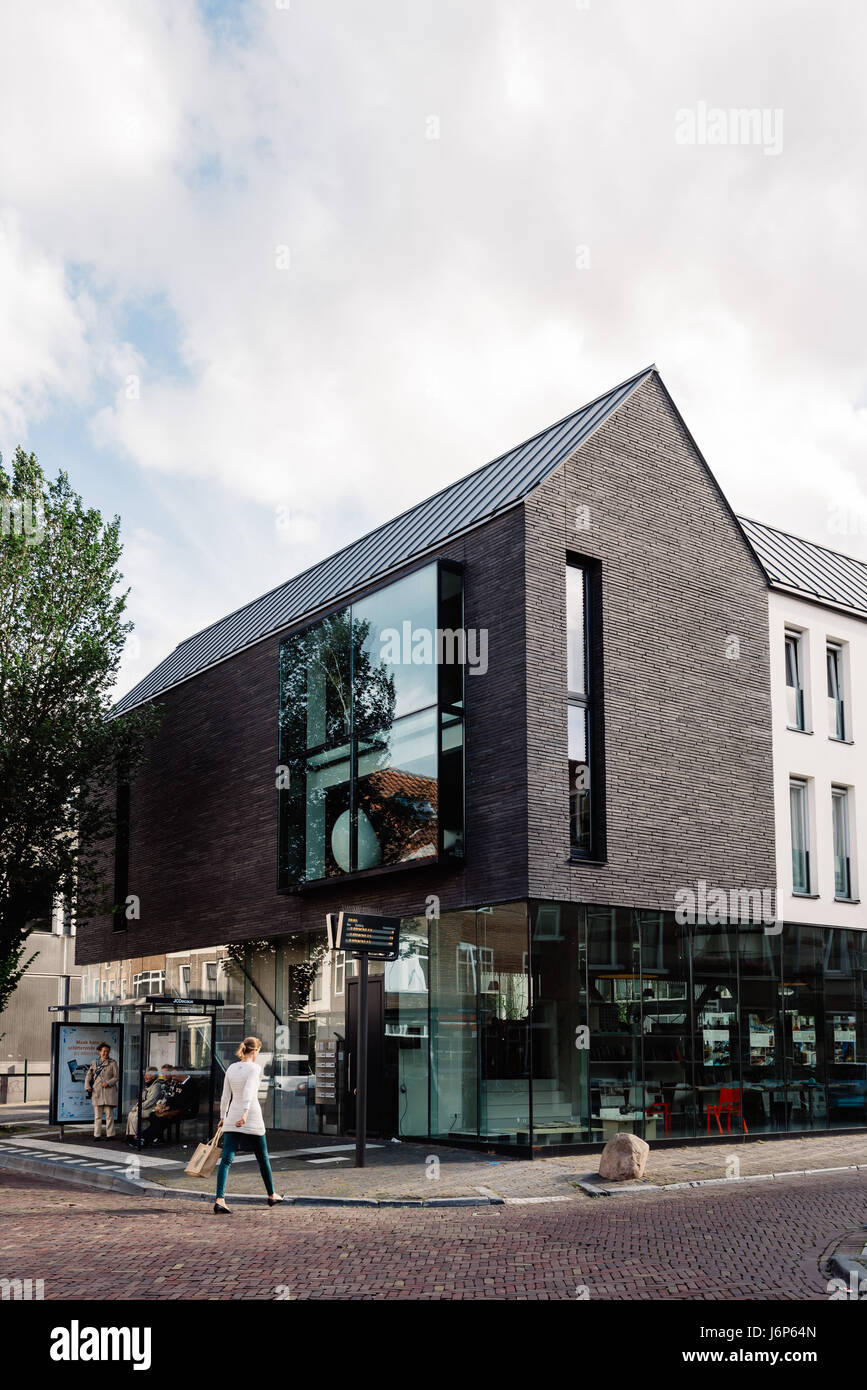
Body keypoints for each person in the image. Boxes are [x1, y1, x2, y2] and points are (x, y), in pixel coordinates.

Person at [214, 1036, 282, 1213]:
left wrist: (223, 1116)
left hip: (232, 1116)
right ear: (256, 1051)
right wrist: (245, 1113)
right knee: (262, 1157)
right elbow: (250, 1091)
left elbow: (225, 1095)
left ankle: (220, 1199)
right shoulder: (254, 1068)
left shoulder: (231, 1067)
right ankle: (271, 1194)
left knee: (227, 1158)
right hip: (250, 1115)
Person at [137, 1068, 200, 1148]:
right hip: (174, 1109)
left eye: (173, 1076)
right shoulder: (177, 1083)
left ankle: (144, 1138)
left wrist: (169, 1113)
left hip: (186, 1111)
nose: (172, 1078)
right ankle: (153, 1137)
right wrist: (166, 1107)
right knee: (153, 1115)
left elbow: (188, 1105)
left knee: (163, 1118)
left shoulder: (191, 1085)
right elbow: (173, 1098)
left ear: (180, 1074)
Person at [84, 1043, 119, 1140]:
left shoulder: (113, 1063)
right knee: (97, 1116)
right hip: (97, 1091)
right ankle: (97, 1135)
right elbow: (89, 1076)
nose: (106, 1053)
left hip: (109, 1091)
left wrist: (108, 1083)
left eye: (107, 1051)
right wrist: (87, 1086)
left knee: (109, 1115)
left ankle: (110, 1135)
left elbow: (116, 1077)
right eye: (104, 1051)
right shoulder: (94, 1063)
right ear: (99, 1052)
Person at [125, 1068, 163, 1140]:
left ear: (154, 1076)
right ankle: (129, 1135)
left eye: (148, 1075)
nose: (145, 1077)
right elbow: (142, 1099)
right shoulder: (148, 1085)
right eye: (145, 1074)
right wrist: (135, 1107)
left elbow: (151, 1101)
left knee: (136, 1114)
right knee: (131, 1114)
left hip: (153, 1109)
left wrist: (139, 1108)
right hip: (146, 1108)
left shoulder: (156, 1086)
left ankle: (135, 1137)